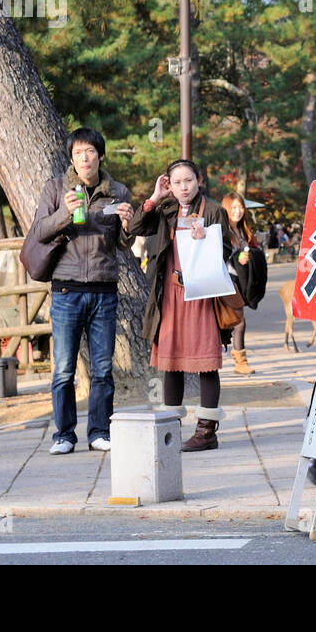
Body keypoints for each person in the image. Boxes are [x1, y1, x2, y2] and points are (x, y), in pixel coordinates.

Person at [30, 127, 132, 454]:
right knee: (63, 369)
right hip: (65, 290)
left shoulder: (118, 191)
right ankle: (64, 434)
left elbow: (124, 244)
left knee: (102, 368)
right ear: (71, 158)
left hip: (104, 289)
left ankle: (100, 431)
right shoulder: (56, 188)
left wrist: (129, 226)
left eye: (90, 151)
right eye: (77, 153)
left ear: (100, 155)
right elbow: (40, 231)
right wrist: (64, 213)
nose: (84, 158)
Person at [129, 160, 234, 451]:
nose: (183, 187)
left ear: (198, 180)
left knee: (206, 362)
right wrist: (154, 197)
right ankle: (171, 428)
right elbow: (136, 227)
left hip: (201, 295)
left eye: (188, 181)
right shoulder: (165, 208)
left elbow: (229, 249)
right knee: (171, 362)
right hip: (170, 294)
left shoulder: (213, 210)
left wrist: (208, 239)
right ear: (169, 185)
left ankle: (206, 432)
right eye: (177, 182)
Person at [220, 192, 261, 376]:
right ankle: (240, 362)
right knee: (238, 322)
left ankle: (239, 361)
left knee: (235, 322)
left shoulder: (244, 231)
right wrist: (237, 257)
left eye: (241, 207)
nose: (238, 211)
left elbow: (254, 252)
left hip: (240, 281)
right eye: (234, 207)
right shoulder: (222, 231)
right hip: (225, 281)